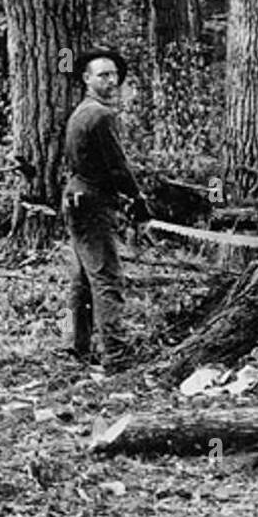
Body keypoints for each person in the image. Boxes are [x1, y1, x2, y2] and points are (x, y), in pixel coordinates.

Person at [62, 48, 151, 372]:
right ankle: (117, 355)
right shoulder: (100, 115)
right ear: (87, 79)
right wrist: (138, 201)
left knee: (84, 279)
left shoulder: (83, 111)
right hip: (90, 202)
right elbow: (117, 166)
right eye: (103, 75)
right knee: (107, 278)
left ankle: (77, 346)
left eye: (114, 75)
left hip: (78, 197)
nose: (112, 81)